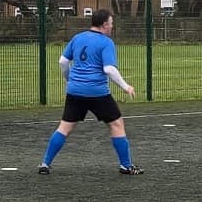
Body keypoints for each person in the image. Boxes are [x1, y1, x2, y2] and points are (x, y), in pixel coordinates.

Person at [38, 9, 143, 175]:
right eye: (111, 23)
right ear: (104, 24)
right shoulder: (106, 42)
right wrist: (126, 86)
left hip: (75, 91)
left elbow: (63, 61)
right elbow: (109, 69)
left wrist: (69, 79)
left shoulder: (77, 38)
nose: (112, 26)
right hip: (97, 92)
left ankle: (45, 163)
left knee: (64, 127)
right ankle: (126, 165)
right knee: (116, 124)